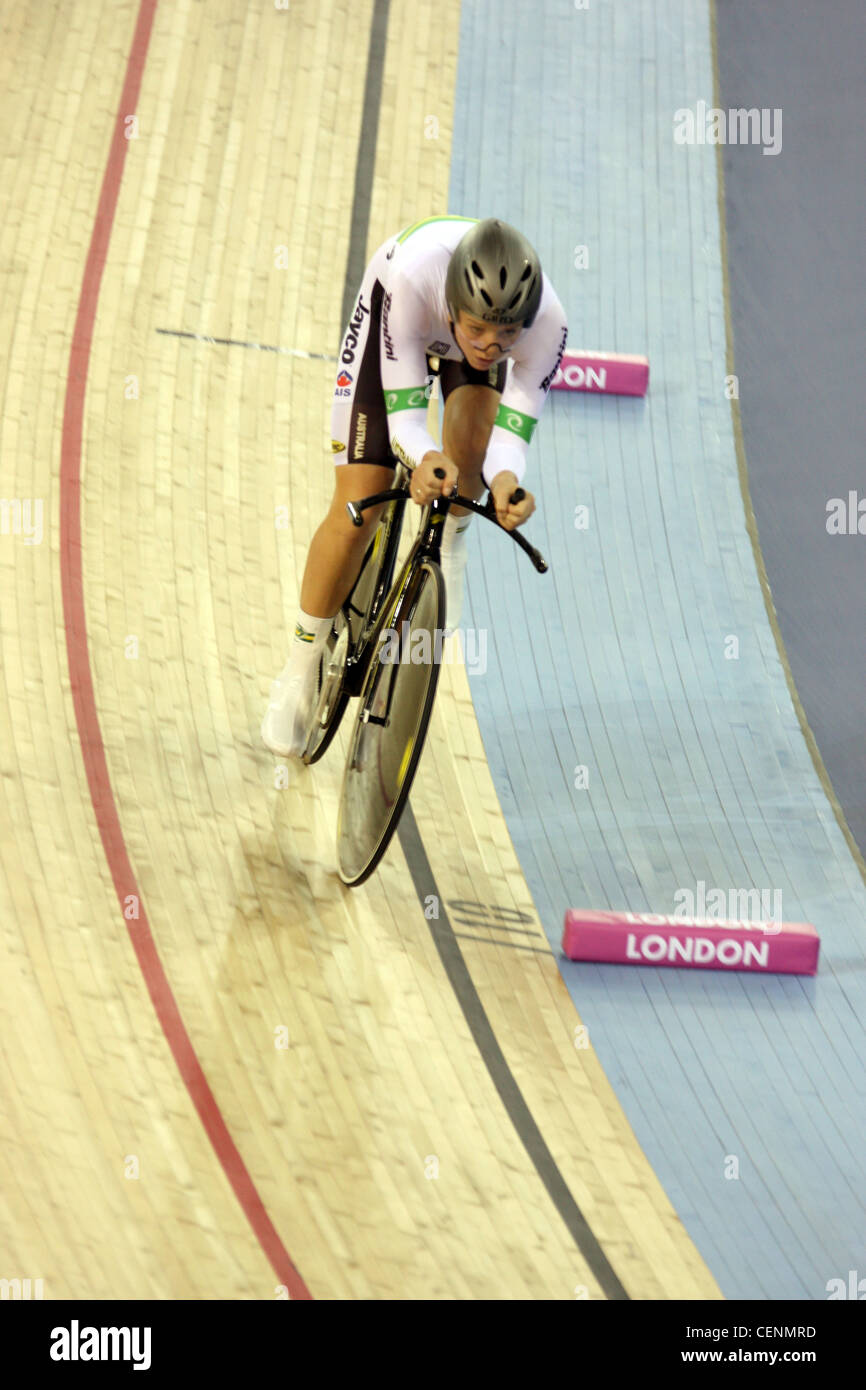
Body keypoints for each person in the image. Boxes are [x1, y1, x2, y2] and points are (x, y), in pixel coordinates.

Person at [261, 215, 568, 757]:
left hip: (448, 326)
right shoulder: (413, 281)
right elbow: (404, 422)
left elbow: (512, 437)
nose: (490, 346)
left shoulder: (546, 324)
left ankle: (451, 540)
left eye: (505, 336)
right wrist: (424, 458)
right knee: (361, 499)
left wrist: (504, 485)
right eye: (476, 330)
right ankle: (299, 663)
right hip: (399, 314)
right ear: (453, 307)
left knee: (472, 437)